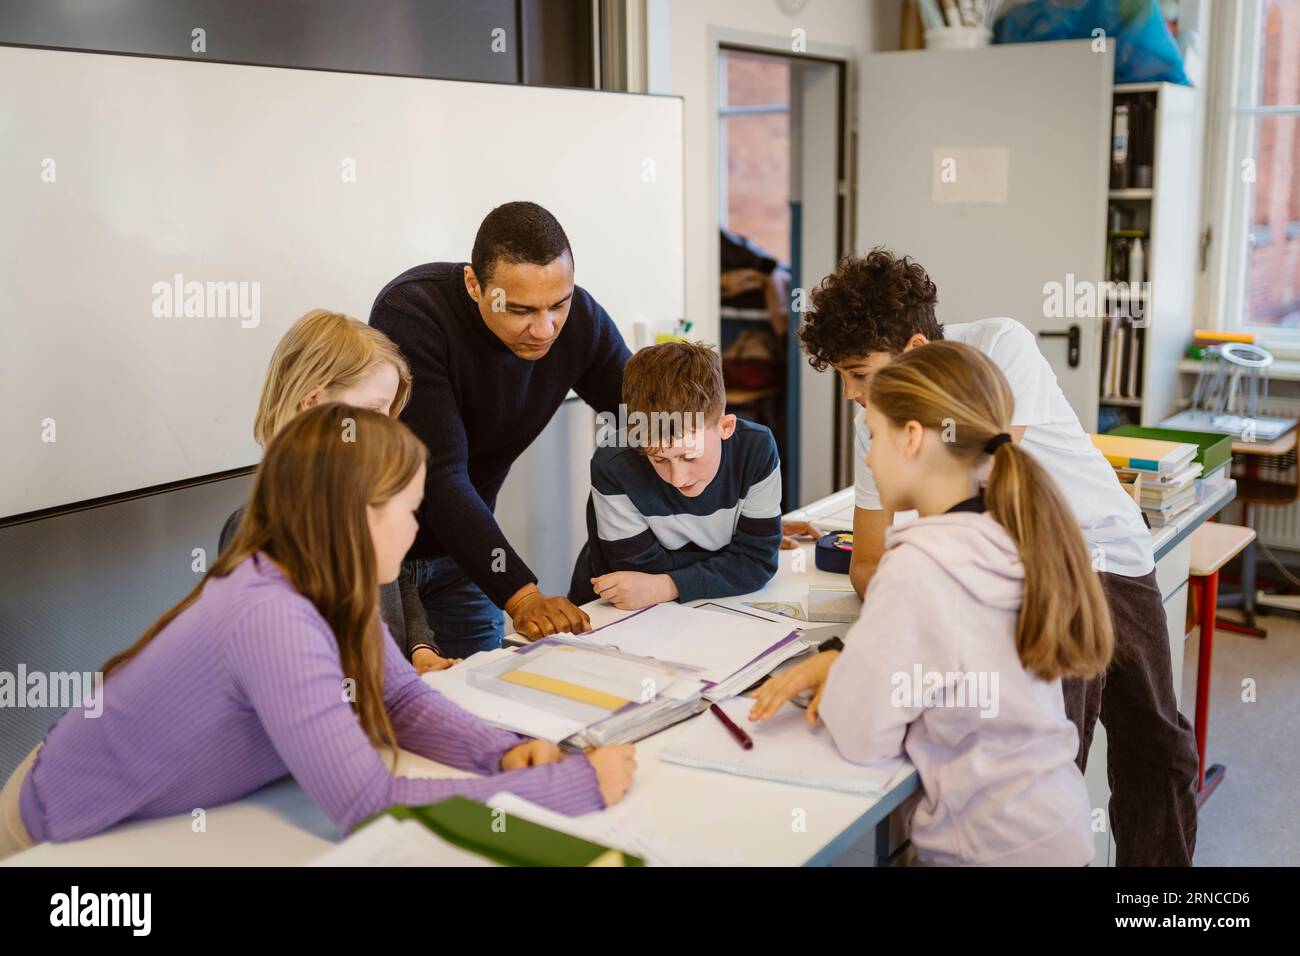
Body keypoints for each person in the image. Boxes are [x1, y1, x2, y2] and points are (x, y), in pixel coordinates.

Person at [0, 405, 636, 858]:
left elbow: (401, 699)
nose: (417, 531)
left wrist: (497, 752)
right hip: (59, 830)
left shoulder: (330, 582)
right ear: (358, 515)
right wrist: (569, 786)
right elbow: (366, 806)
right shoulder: (271, 613)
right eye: (409, 511)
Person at [793, 248, 1199, 866]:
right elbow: (867, 562)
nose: (851, 396)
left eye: (858, 372)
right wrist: (899, 634)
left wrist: (886, 643)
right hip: (1014, 573)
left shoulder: (997, 349)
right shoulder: (880, 422)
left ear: (915, 345)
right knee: (1055, 745)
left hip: (1095, 550)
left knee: (1156, 746)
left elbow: (991, 504)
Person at [753, 341, 1111, 866]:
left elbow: (864, 736)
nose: (870, 456)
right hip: (1056, 829)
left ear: (913, 439)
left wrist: (837, 672)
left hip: (985, 848)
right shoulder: (1013, 530)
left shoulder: (920, 567)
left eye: (874, 436)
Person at [370, 201, 629, 655]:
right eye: (521, 309)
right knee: (396, 711)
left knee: (483, 701)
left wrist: (728, 499)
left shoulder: (581, 320)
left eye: (558, 304)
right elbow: (441, 475)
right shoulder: (413, 312)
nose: (545, 329)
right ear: (475, 284)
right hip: (382, 562)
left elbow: (644, 416)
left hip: (467, 559)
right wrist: (524, 596)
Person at [219, 308, 455, 673]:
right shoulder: (261, 531)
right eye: (373, 411)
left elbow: (399, 577)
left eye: (390, 413)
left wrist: (420, 650)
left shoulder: (362, 498)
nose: (386, 430)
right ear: (312, 403)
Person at [568, 341, 781, 610]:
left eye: (690, 456)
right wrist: (733, 556)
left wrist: (667, 584)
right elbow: (639, 575)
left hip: (696, 607)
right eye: (658, 459)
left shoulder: (756, 449)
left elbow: (757, 563)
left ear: (725, 427)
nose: (679, 479)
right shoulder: (614, 465)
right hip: (608, 612)